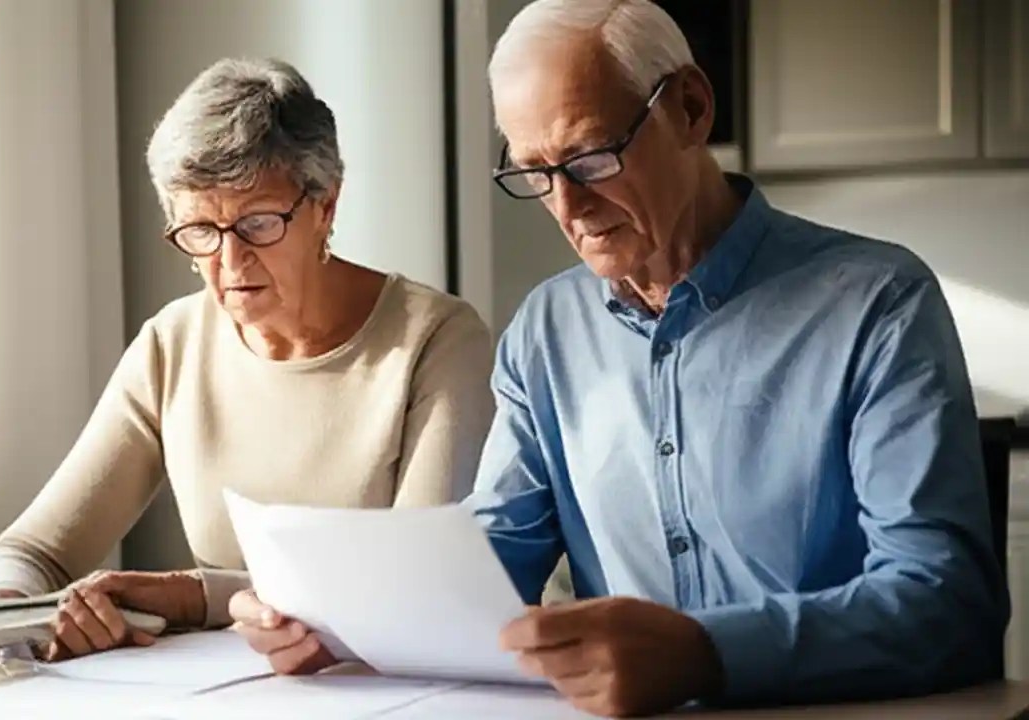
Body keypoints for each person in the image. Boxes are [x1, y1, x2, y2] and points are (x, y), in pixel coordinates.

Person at [230, 1, 1009, 715]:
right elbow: (487, 571)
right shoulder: (544, 332)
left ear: (691, 109)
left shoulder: (877, 301)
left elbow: (948, 603)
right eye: (534, 173)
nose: (565, 207)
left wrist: (707, 654)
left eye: (591, 158)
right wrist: (334, 623)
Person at [0, 57, 495, 662]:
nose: (230, 261)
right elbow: (32, 553)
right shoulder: (173, 343)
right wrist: (18, 610)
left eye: (258, 223)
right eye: (199, 230)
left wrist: (198, 598)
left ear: (325, 205)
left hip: (393, 691)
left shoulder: (437, 339)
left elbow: (414, 582)